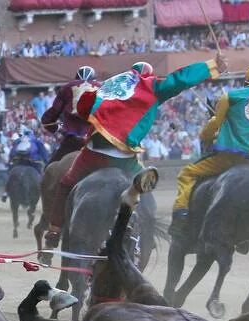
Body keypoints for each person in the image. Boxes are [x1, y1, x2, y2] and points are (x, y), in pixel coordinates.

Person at [44, 54, 228, 248]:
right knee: (145, 188)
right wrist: (212, 66)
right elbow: (181, 78)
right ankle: (145, 231)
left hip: (93, 151)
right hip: (123, 157)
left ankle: (54, 231)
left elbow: (83, 107)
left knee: (66, 183)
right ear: (148, 75)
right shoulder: (151, 85)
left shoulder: (108, 85)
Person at [170, 65, 249, 239]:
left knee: (187, 173)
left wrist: (206, 135)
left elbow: (215, 124)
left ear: (246, 82)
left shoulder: (231, 97)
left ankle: (181, 214)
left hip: (232, 159)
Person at [40, 65, 101, 163]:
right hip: (95, 140)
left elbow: (50, 118)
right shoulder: (102, 88)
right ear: (94, 79)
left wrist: (58, 128)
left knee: (50, 168)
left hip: (72, 140)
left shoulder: (66, 88)